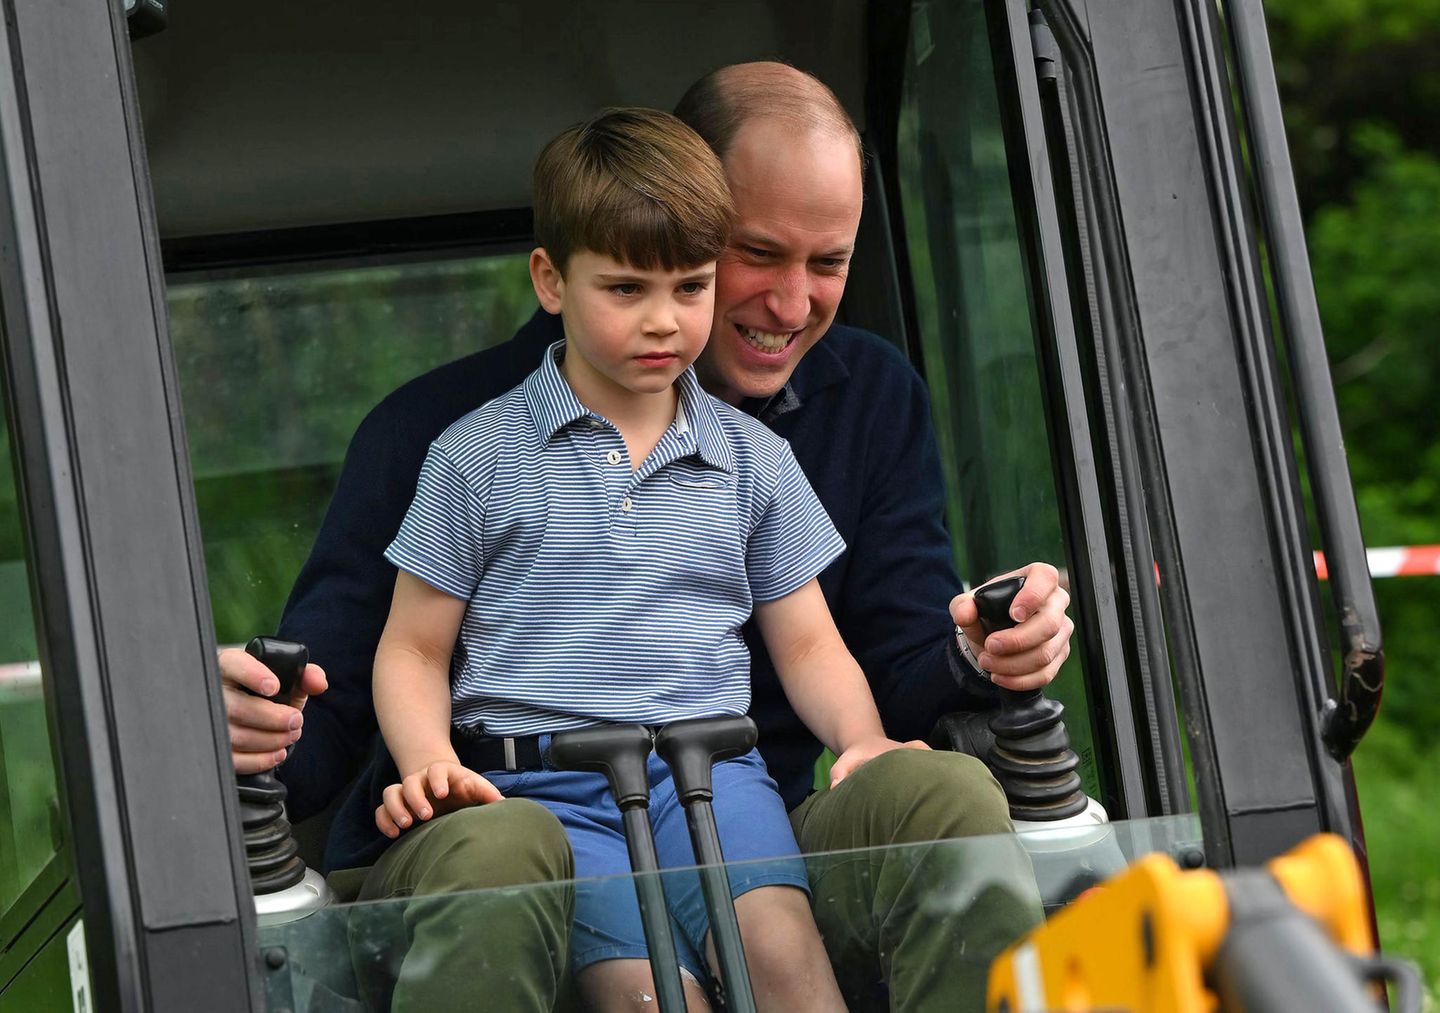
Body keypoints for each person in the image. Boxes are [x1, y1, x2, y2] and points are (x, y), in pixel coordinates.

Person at [223, 63, 1073, 1011]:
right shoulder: (451, 442)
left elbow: (844, 647)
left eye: (829, 263)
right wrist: (251, 722)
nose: (792, 304)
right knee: (571, 915)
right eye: (759, 253)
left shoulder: (817, 425)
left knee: (930, 810)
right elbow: (365, 674)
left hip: (731, 795)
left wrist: (975, 653)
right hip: (528, 810)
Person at [373, 105, 915, 1011]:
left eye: (691, 287)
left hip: (716, 777)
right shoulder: (474, 455)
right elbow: (413, 647)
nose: (664, 321)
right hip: (546, 789)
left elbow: (810, 642)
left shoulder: (754, 458)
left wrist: (860, 739)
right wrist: (430, 760)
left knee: (784, 961)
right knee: (646, 996)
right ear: (551, 280)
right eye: (626, 289)